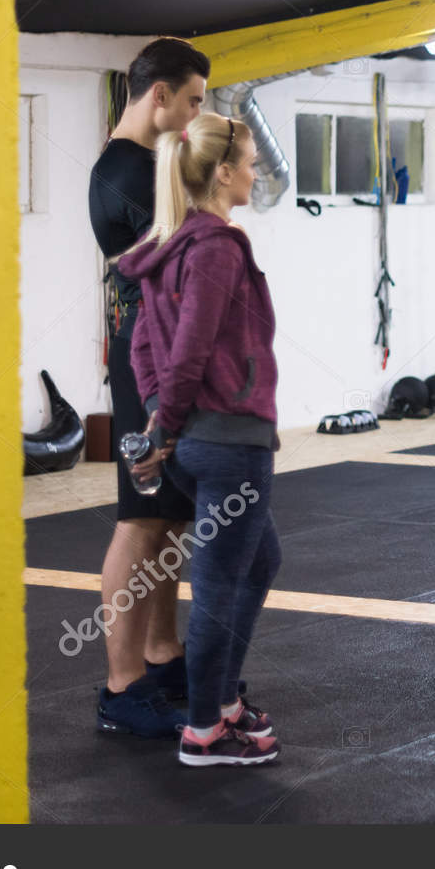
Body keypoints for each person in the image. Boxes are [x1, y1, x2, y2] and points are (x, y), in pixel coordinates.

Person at [119, 112, 283, 766]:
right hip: (227, 441)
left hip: (196, 443)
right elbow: (189, 349)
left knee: (260, 561)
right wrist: (164, 424)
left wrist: (158, 417)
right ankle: (205, 728)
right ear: (221, 173)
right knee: (218, 584)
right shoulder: (215, 247)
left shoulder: (172, 243)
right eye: (249, 163)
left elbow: (141, 346)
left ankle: (222, 701)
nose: (254, 173)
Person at [87, 37, 212, 738]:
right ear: (158, 94)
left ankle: (161, 656)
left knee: (168, 514)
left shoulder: (148, 165)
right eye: (192, 101)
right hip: (145, 355)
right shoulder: (126, 171)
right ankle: (121, 685)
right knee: (140, 516)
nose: (195, 115)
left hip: (159, 348)